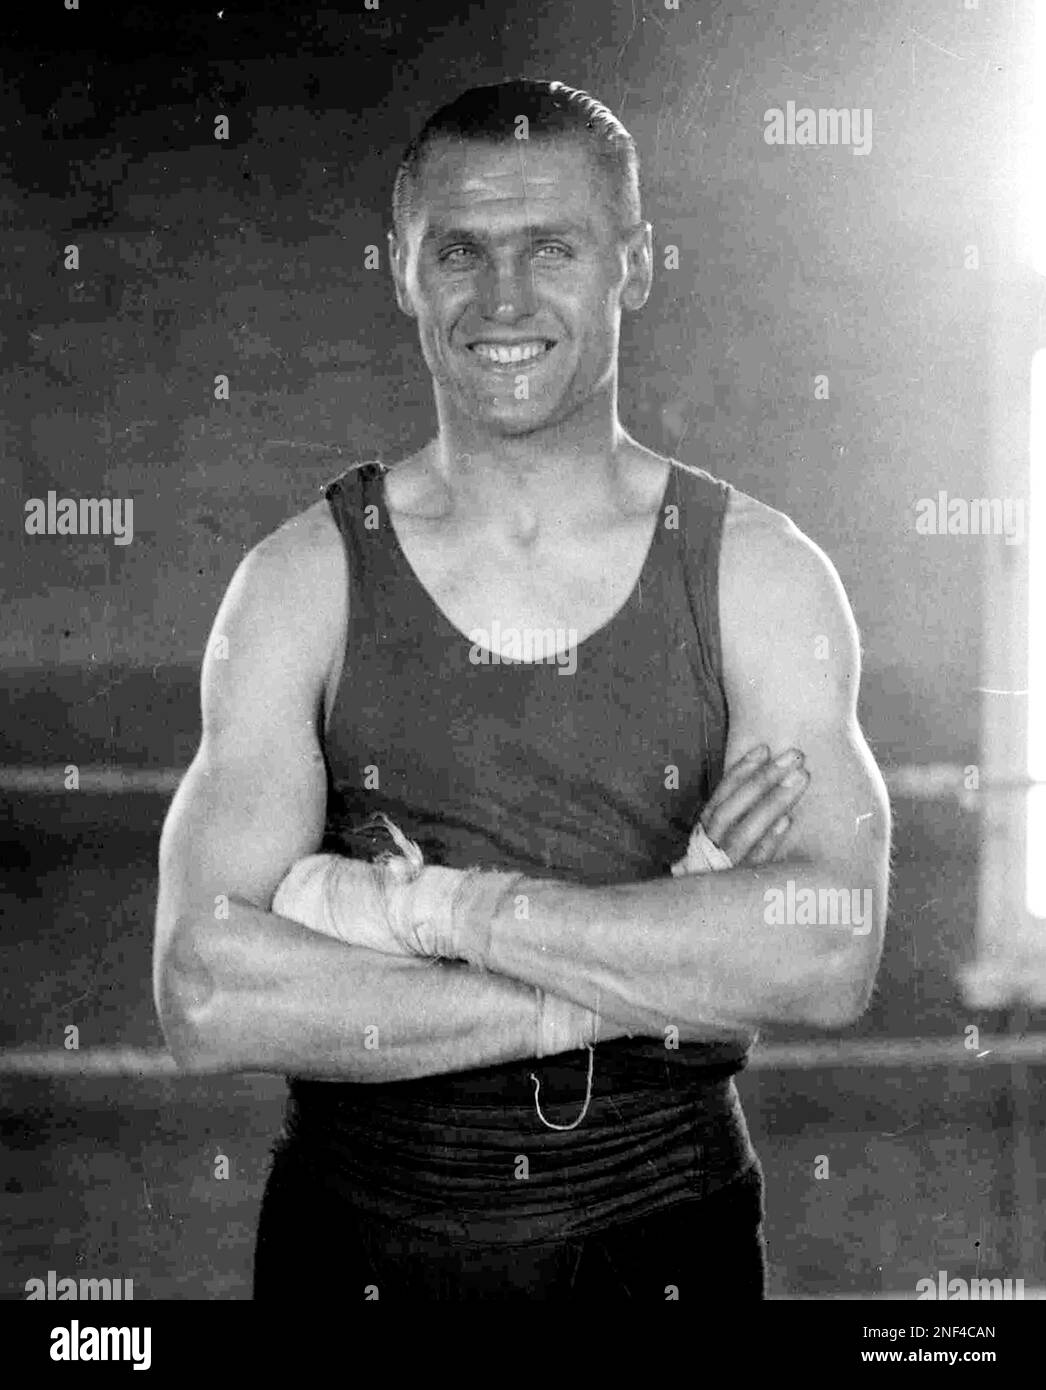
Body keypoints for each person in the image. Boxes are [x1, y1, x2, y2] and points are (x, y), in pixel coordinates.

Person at [153, 79, 890, 1301]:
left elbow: (821, 956)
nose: (503, 299)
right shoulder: (300, 580)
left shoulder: (757, 573)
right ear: (401, 271)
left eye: (551, 248)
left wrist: (434, 912)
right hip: (358, 1254)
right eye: (460, 252)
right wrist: (662, 948)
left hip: (665, 1244)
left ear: (632, 267)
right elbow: (209, 988)